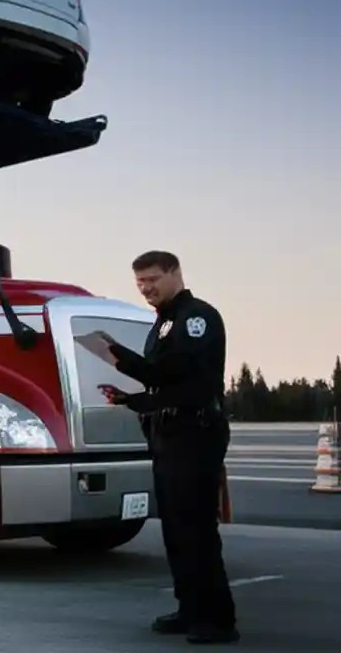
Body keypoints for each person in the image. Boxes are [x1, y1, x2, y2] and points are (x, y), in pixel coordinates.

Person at [89, 250, 240, 645]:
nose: (146, 288)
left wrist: (120, 358)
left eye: (153, 279)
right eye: (140, 282)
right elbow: (163, 385)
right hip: (169, 433)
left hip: (195, 433)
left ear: (175, 273)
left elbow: (180, 376)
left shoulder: (195, 318)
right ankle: (190, 607)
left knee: (196, 527)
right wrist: (131, 398)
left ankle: (217, 619)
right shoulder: (164, 323)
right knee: (176, 528)